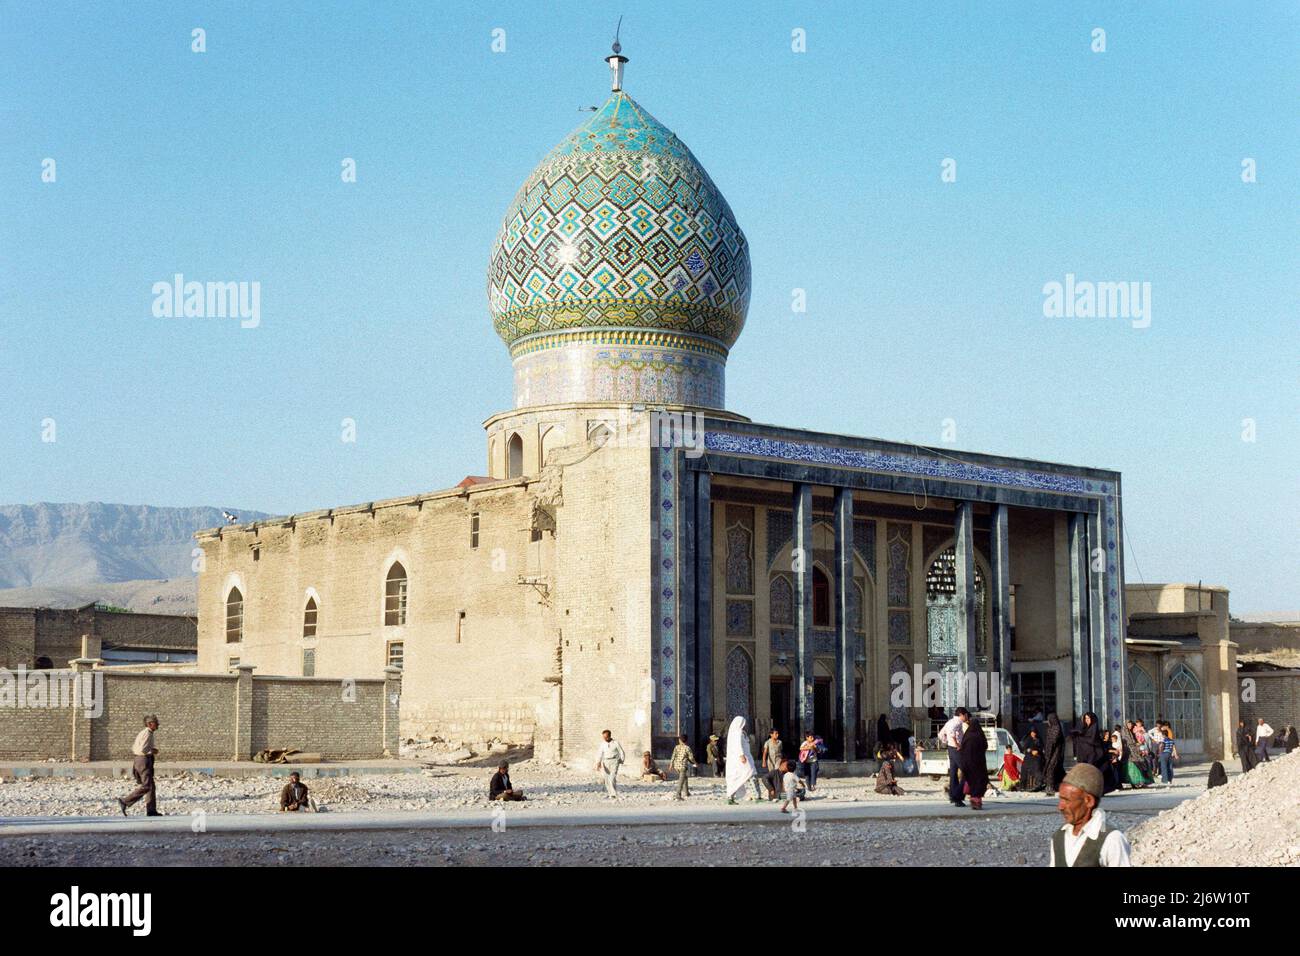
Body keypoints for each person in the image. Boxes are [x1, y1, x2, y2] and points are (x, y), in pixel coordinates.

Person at [1049, 763, 1132, 867]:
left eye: (1067, 800)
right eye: (1060, 799)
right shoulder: (1058, 838)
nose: (1060, 807)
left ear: (1089, 801)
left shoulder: (1112, 839)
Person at [117, 714, 162, 817]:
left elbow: (135, 747)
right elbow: (143, 749)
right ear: (150, 724)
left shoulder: (145, 732)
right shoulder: (147, 733)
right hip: (144, 760)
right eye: (156, 723)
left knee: (151, 785)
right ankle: (125, 801)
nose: (158, 724)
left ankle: (151, 811)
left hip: (140, 760)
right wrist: (152, 750)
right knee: (147, 785)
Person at [724, 715, 765, 804]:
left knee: (750, 775)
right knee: (748, 775)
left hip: (746, 757)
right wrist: (741, 755)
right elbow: (737, 745)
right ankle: (731, 797)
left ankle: (757, 796)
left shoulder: (741, 732)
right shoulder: (736, 733)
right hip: (741, 759)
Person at [954, 711, 989, 809]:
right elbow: (985, 746)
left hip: (968, 764)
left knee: (971, 782)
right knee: (980, 782)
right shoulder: (980, 735)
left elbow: (962, 749)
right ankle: (977, 802)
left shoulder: (967, 736)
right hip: (979, 764)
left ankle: (972, 801)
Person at [938, 707, 969, 806]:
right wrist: (956, 744)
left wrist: (947, 742)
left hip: (951, 749)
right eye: (966, 715)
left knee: (953, 773)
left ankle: (952, 795)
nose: (966, 717)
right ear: (961, 715)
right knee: (966, 771)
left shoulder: (949, 722)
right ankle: (957, 796)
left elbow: (941, 734)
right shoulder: (957, 722)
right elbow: (951, 733)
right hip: (956, 749)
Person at [594, 729, 626, 799]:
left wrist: (621, 760)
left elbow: (621, 752)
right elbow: (599, 753)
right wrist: (598, 762)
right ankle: (610, 794)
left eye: (606, 737)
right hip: (605, 761)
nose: (604, 739)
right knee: (606, 779)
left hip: (614, 761)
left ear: (609, 736)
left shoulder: (616, 743)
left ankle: (614, 794)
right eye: (603, 737)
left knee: (612, 778)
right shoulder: (602, 744)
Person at [1042, 713, 1066, 795]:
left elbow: (1052, 742)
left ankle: (1050, 787)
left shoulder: (1056, 728)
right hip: (1051, 753)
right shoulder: (1051, 728)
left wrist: (1049, 752)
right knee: (1056, 770)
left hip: (1055, 753)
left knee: (1050, 769)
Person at [669, 734, 697, 800]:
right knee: (681, 781)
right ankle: (678, 795)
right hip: (683, 766)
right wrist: (695, 762)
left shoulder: (676, 747)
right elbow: (691, 757)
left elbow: (673, 756)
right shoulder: (687, 748)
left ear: (679, 740)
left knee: (685, 778)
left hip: (676, 766)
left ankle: (686, 792)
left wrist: (671, 765)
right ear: (686, 741)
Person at [761, 729, 784, 799]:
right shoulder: (767, 742)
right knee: (771, 775)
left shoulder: (780, 742)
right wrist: (764, 761)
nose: (777, 735)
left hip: (778, 760)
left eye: (777, 733)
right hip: (770, 761)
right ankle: (771, 793)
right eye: (775, 733)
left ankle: (778, 792)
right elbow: (765, 752)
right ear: (771, 734)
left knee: (777, 774)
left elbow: (781, 751)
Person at [1155, 721, 1178, 786]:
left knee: (1164, 767)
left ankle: (1165, 780)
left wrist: (1159, 753)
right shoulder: (1171, 741)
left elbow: (1161, 747)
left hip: (1163, 754)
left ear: (1163, 735)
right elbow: (1174, 747)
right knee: (1170, 767)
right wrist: (1175, 754)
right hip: (1169, 754)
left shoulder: (1163, 740)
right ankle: (1170, 780)